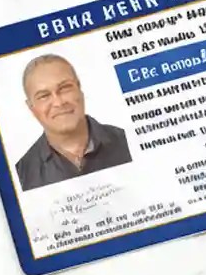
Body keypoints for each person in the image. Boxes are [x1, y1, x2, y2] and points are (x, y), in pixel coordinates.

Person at [14, 54, 132, 191]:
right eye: (44, 96)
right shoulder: (22, 175)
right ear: (31, 108)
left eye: (65, 88)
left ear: (79, 89)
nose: (58, 102)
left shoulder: (130, 141)